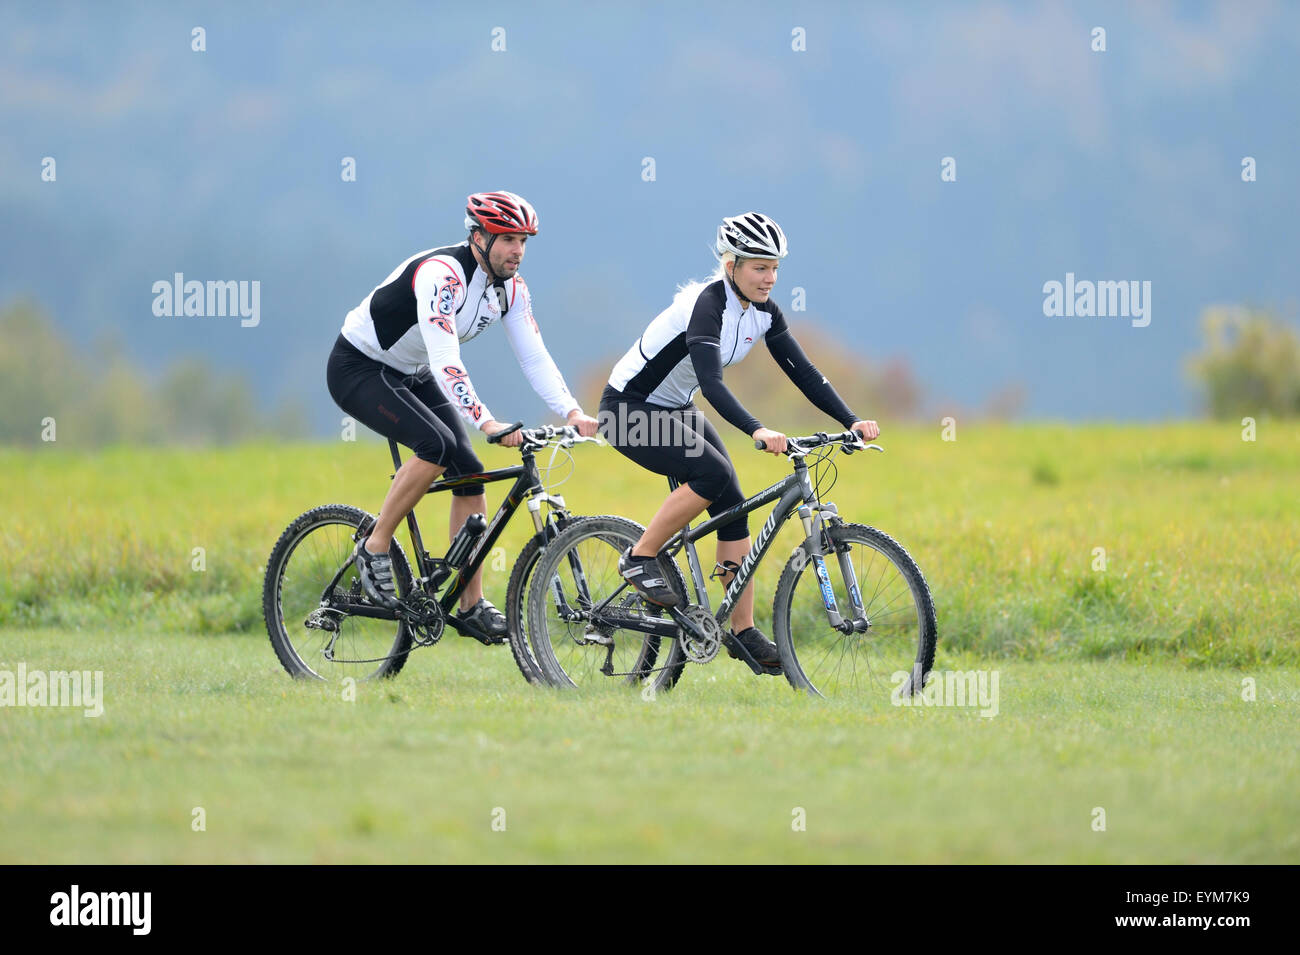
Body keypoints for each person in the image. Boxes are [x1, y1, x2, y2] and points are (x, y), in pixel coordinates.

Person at [599, 212, 879, 674]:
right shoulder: (707, 305)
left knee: (733, 509)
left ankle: (741, 630)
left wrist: (850, 419)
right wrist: (757, 429)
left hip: (674, 409)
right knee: (712, 473)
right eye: (759, 267)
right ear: (731, 265)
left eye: (774, 268)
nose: (769, 278)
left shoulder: (764, 311)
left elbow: (803, 372)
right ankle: (640, 556)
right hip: (627, 411)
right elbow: (711, 382)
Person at [326, 191, 600, 644]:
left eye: (524, 241)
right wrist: (487, 421)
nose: (518, 251)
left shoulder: (511, 289)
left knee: (470, 472)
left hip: (409, 372)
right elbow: (445, 359)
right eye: (508, 239)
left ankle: (471, 605)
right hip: (359, 366)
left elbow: (534, 358)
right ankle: (374, 546)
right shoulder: (442, 275)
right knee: (434, 447)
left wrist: (571, 409)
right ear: (478, 237)